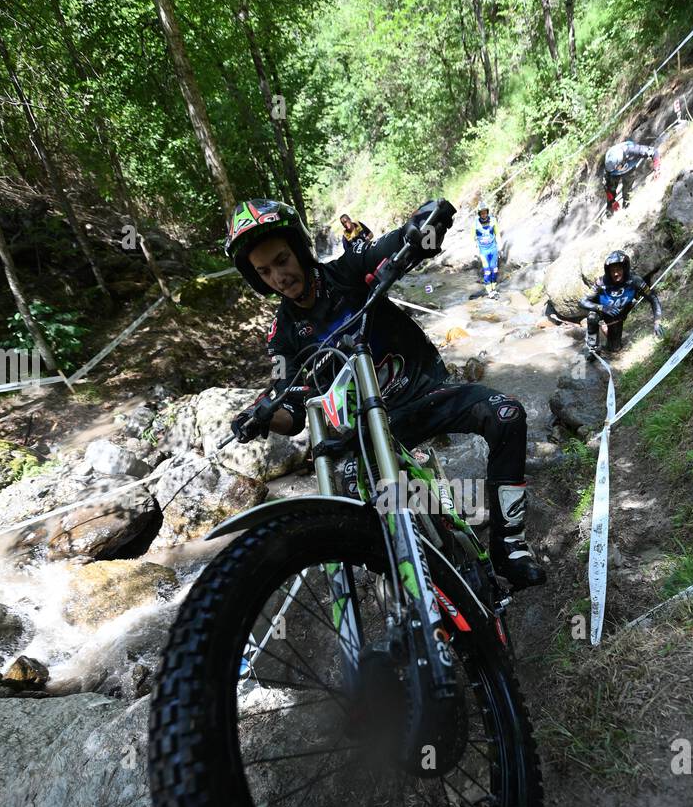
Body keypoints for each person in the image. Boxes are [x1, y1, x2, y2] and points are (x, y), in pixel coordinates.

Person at [224, 198, 546, 590]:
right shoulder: (282, 336)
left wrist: (425, 224)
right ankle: (416, 578)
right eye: (265, 271)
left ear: (299, 250)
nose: (280, 276)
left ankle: (509, 547)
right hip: (364, 434)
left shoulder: (347, 269)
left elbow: (392, 250)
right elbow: (289, 407)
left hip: (424, 391)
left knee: (506, 415)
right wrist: (260, 414)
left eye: (282, 260)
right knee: (358, 498)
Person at [578, 250, 664, 358]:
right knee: (592, 317)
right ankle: (593, 349)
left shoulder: (635, 280)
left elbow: (653, 298)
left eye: (618, 269)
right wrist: (602, 307)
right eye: (612, 271)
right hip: (602, 312)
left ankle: (606, 330)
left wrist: (657, 322)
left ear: (624, 268)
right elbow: (582, 301)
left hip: (618, 316)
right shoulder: (601, 282)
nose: (615, 274)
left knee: (614, 349)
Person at [602, 139, 657, 216]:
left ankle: (626, 205)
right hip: (614, 175)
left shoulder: (633, 150)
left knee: (628, 187)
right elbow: (606, 187)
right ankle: (609, 211)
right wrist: (612, 201)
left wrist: (656, 169)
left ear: (622, 161)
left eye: (617, 167)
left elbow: (654, 151)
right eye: (614, 169)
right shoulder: (609, 166)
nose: (616, 169)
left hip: (629, 169)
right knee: (611, 189)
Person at [474, 202, 500, 298]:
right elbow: (472, 237)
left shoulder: (493, 220)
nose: (484, 214)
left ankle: (494, 289)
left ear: (487, 212)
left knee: (494, 269)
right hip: (483, 251)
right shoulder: (475, 223)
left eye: (485, 212)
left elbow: (497, 234)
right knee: (487, 271)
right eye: (482, 213)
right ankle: (489, 292)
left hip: (493, 249)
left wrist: (500, 247)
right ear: (479, 214)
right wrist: (475, 249)